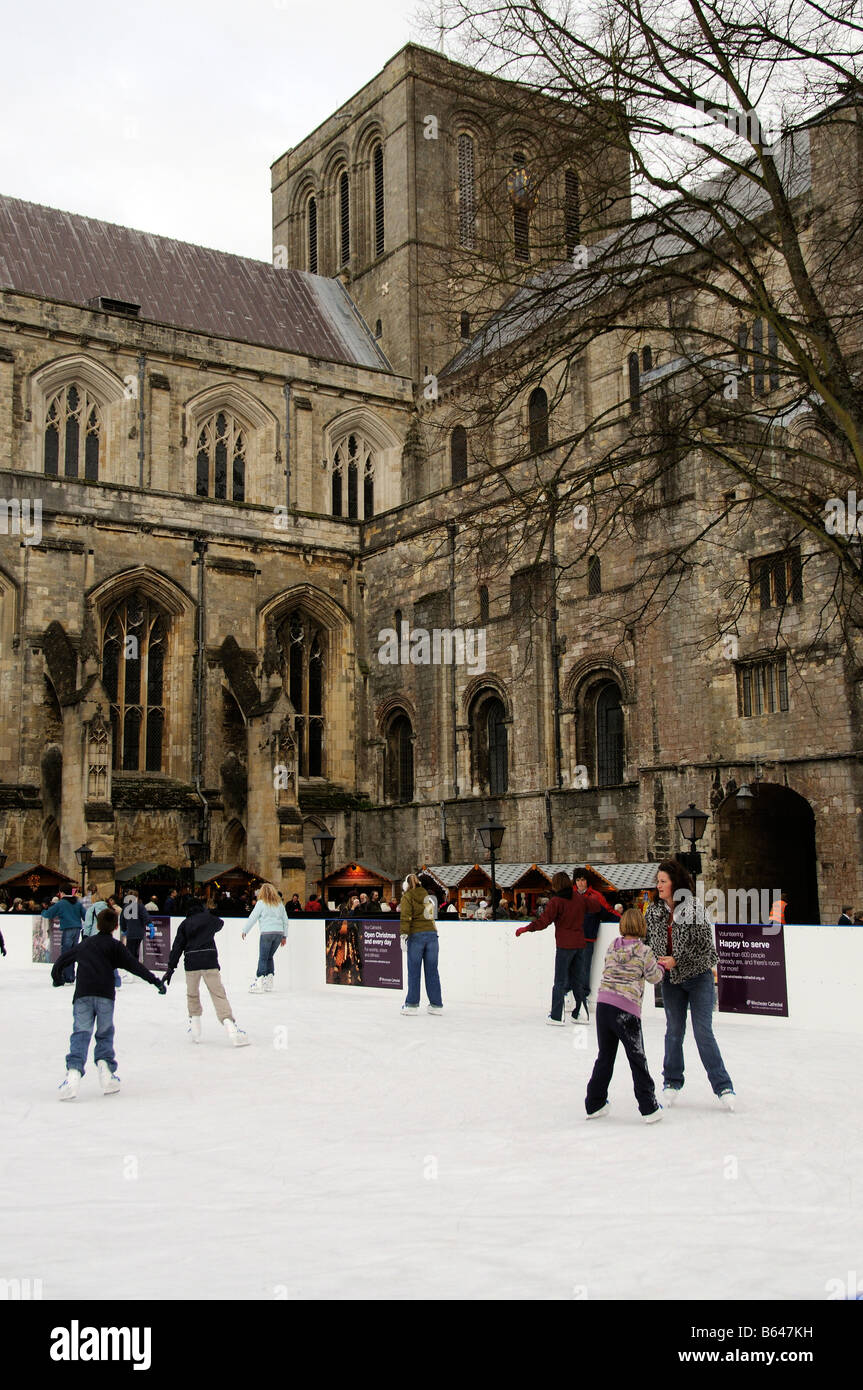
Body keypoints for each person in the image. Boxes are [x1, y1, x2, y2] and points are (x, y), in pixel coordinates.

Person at [645, 859, 736, 1110]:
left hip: (698, 977)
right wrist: (655, 961)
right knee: (674, 1031)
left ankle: (723, 1085)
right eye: (658, 881)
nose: (659, 885)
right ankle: (672, 1081)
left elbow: (705, 946)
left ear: (676, 883)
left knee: (702, 1032)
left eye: (663, 881)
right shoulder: (653, 911)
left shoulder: (694, 908)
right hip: (671, 980)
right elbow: (649, 941)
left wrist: (677, 959)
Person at [52, 906, 166, 1099]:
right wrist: (155, 982)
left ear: (97, 925)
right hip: (105, 995)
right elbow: (135, 966)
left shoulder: (85, 944)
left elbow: (62, 960)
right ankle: (106, 1073)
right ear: (115, 927)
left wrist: (57, 978)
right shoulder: (115, 947)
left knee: (81, 1033)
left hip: (83, 995)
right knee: (104, 1034)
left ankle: (73, 1075)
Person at [585, 908, 665, 1123]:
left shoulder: (612, 946)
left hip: (603, 1005)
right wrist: (663, 967)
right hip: (626, 1009)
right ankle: (649, 1107)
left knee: (605, 1056)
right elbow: (654, 977)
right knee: (637, 1058)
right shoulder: (644, 950)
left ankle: (594, 1103)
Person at [515, 871, 609, 1025]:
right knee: (577, 980)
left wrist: (526, 929)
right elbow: (596, 906)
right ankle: (581, 1014)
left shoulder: (556, 901)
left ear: (556, 884)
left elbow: (543, 921)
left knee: (560, 980)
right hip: (580, 944)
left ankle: (557, 1016)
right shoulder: (579, 898)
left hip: (565, 945)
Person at [163, 898, 250, 1046]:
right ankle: (231, 1028)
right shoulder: (209, 919)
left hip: (191, 963)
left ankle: (195, 1028)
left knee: (192, 994)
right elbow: (220, 923)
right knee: (218, 994)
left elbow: (177, 947)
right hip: (209, 960)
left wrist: (170, 968)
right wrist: (208, 914)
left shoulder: (184, 924)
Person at [572, 869, 620, 1022]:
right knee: (569, 966)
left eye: (583, 880)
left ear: (587, 881)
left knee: (585, 967)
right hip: (571, 938)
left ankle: (583, 996)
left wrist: (623, 920)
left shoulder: (595, 896)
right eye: (578, 880)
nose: (580, 883)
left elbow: (608, 911)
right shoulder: (569, 895)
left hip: (587, 938)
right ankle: (569, 994)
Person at [400, 872, 442, 1015]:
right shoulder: (426, 897)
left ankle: (411, 1005)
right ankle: (436, 1005)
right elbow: (430, 917)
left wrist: (403, 935)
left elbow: (405, 917)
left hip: (416, 936)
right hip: (431, 937)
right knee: (432, 972)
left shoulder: (407, 897)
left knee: (414, 972)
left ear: (405, 885)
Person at [242, 882, 289, 992]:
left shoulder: (261, 903)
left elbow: (253, 917)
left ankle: (259, 982)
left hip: (267, 933)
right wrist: (284, 936)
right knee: (269, 956)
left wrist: (245, 930)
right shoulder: (279, 904)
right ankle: (269, 981)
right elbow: (285, 921)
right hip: (278, 933)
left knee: (263, 957)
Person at [42, 889, 85, 985]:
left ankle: (68, 976)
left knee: (66, 953)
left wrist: (43, 912)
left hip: (68, 928)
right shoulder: (77, 903)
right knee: (73, 953)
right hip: (77, 929)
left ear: (62, 893)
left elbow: (49, 913)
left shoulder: (61, 903)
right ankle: (71, 976)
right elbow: (85, 915)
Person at [120, 889, 151, 962]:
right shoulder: (140, 906)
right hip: (139, 933)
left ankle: (130, 966)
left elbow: (122, 920)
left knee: (129, 952)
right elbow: (145, 917)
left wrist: (124, 929)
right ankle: (135, 964)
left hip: (130, 933)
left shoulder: (125, 907)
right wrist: (150, 925)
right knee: (136, 950)